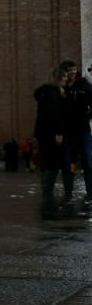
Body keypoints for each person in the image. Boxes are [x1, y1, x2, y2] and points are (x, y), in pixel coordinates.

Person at [35, 64, 71, 205]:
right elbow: (54, 114)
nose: (66, 80)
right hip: (51, 133)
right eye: (64, 78)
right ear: (58, 78)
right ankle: (47, 193)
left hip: (42, 132)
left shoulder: (44, 92)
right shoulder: (53, 92)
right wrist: (58, 133)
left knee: (47, 162)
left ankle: (46, 191)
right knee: (53, 163)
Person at [61, 60, 92, 200]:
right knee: (70, 162)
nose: (72, 72)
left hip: (83, 130)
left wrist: (87, 117)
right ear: (64, 72)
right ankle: (69, 192)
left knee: (87, 160)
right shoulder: (61, 87)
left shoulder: (85, 85)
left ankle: (90, 192)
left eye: (73, 69)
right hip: (68, 132)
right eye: (69, 70)